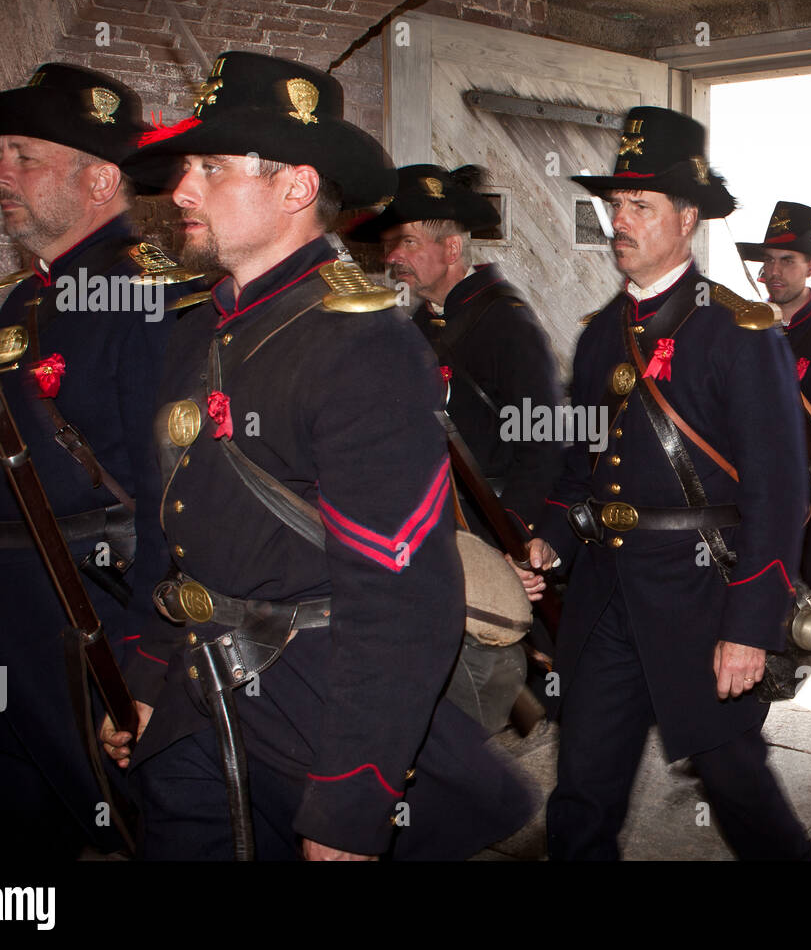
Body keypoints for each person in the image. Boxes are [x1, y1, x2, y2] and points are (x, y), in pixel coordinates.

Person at [108, 51, 532, 860]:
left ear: (296, 187)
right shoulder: (198, 328)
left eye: (210, 167)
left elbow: (401, 600)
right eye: (186, 167)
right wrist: (144, 680)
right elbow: (171, 533)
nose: (181, 190)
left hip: (314, 722)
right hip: (195, 704)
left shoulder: (362, 343)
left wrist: (352, 802)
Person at [512, 106, 810, 860]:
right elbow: (578, 467)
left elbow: (780, 495)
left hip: (701, 598)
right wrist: (550, 541)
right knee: (580, 789)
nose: (620, 220)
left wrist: (750, 626)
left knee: (737, 784)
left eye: (638, 206)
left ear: (685, 219)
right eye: (614, 206)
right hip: (607, 596)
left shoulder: (738, 331)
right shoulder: (598, 334)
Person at [0, 63, 187, 859]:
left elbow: (169, 496)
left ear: (100, 178)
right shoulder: (28, 298)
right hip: (14, 630)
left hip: (93, 632)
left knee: (131, 833)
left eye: (23, 154)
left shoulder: (142, 294)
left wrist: (150, 662)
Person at [346, 163, 563, 732]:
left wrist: (514, 536)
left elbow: (543, 439)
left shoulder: (506, 322)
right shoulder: (426, 319)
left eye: (406, 242)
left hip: (492, 519)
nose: (392, 255)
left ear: (450, 248)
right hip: (444, 519)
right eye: (389, 242)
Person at [737, 201, 811, 596]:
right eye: (768, 261)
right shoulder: (744, 333)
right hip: (753, 502)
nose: (773, 272)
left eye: (787, 260)